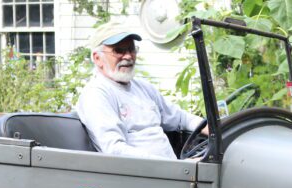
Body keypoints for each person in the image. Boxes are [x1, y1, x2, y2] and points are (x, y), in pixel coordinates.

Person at [75, 24, 205, 159]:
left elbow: (180, 118)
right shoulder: (96, 94)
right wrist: (172, 165)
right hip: (139, 171)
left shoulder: (143, 87)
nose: (128, 56)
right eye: (118, 50)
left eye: (131, 49)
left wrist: (212, 129)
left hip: (171, 168)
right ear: (97, 58)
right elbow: (114, 150)